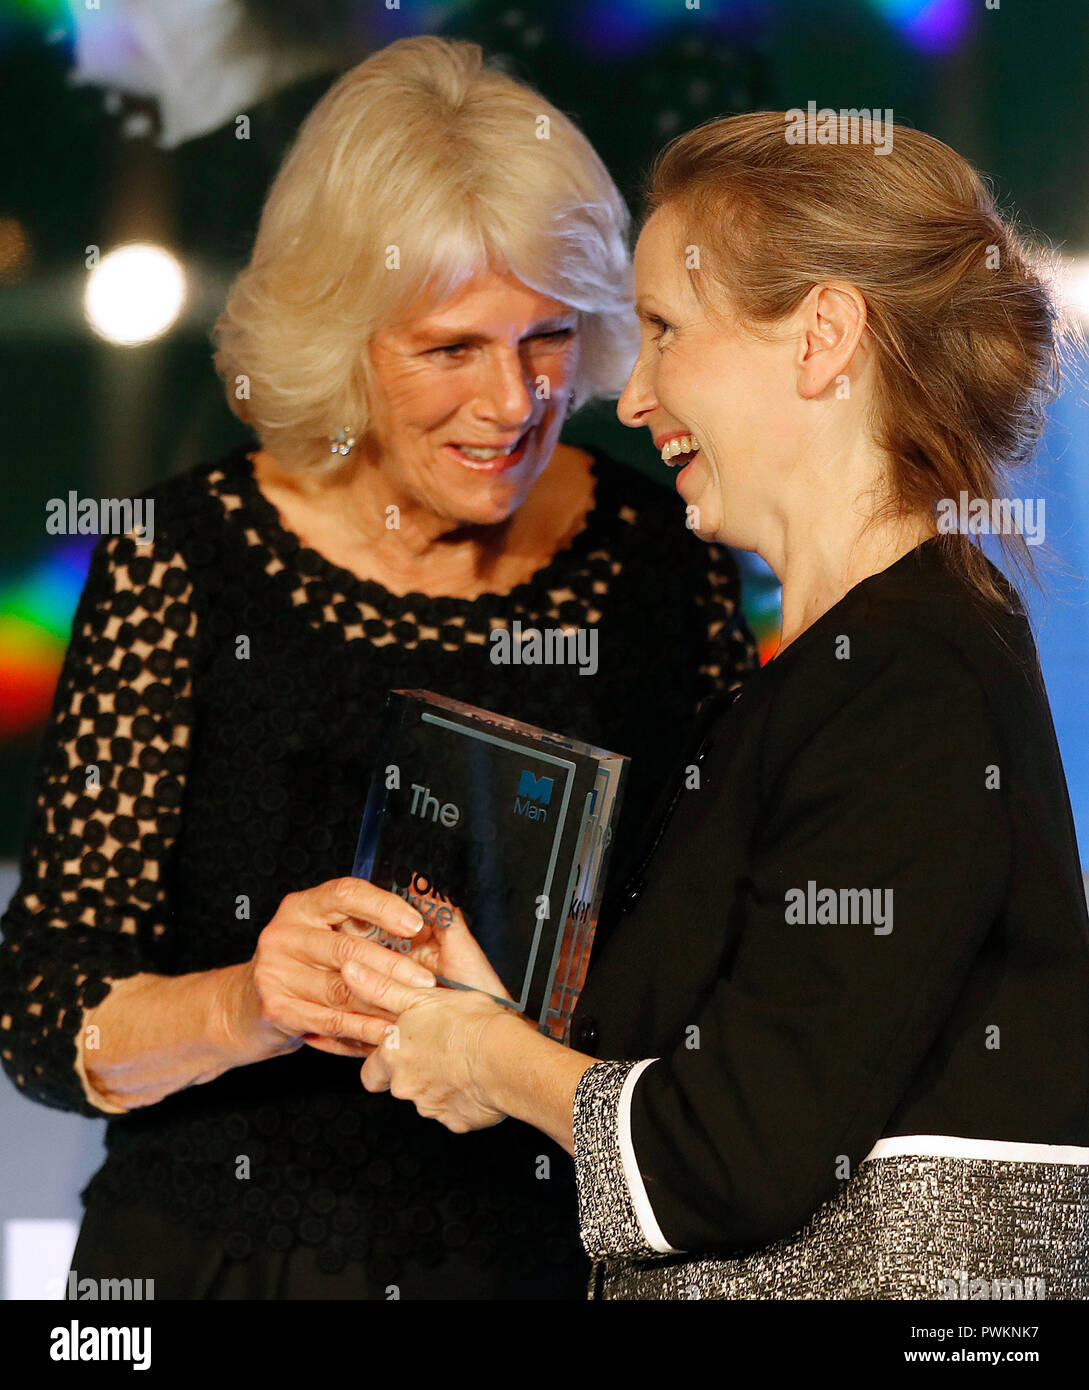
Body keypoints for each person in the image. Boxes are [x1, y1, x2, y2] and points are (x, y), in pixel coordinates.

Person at [0, 39, 758, 1300]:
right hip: (222, 1263)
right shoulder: (183, 560)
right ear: (342, 336)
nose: (513, 401)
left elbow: (736, 956)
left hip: (560, 1266)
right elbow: (41, 1017)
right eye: (450, 349)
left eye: (551, 337)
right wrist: (250, 999)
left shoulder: (662, 559)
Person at [339, 111, 1089, 1299]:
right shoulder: (847, 667)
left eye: (665, 332)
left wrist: (493, 1058)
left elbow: (733, 1152)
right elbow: (753, 1080)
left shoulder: (908, 672)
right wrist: (493, 1029)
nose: (631, 397)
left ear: (822, 338)